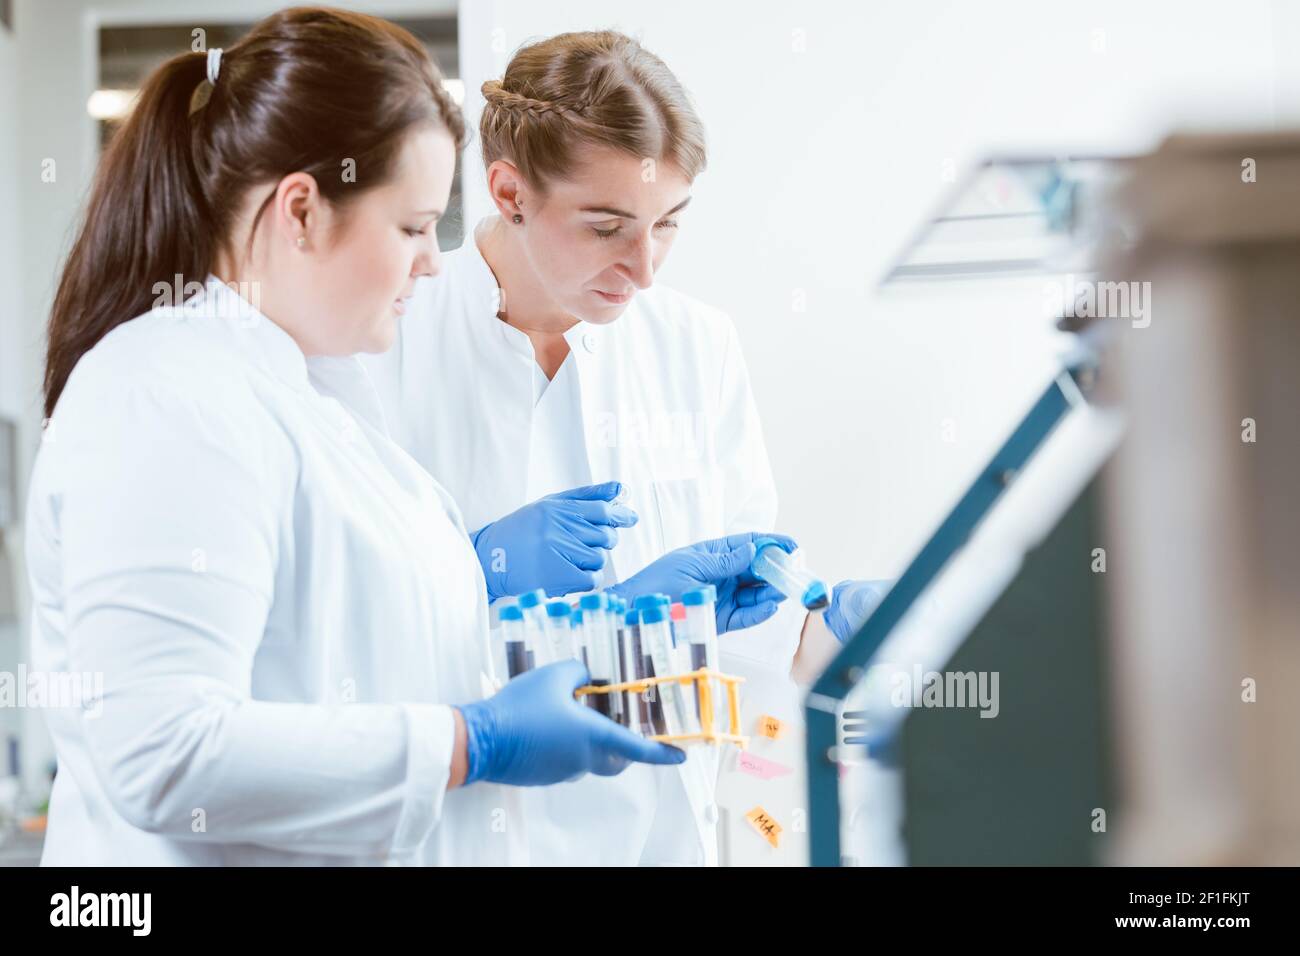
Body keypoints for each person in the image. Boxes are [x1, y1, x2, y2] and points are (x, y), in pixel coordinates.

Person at [24, 8, 785, 867]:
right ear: (302, 212)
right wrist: (472, 743)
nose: (432, 264)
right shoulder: (165, 396)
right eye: (415, 228)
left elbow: (403, 656)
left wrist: (634, 621)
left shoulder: (309, 404)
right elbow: (164, 753)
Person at [358, 30, 884, 866]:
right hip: (465, 831)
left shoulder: (696, 346)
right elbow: (343, 640)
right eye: (607, 228)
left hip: (661, 835)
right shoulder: (384, 341)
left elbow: (747, 632)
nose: (643, 269)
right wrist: (478, 567)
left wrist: (815, 634)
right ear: (509, 191)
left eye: (667, 225)